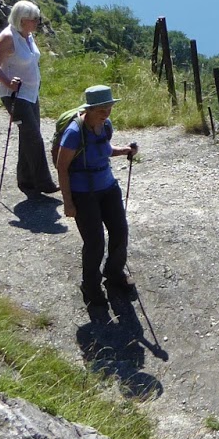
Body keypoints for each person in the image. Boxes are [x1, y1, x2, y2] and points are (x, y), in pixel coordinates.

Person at [56, 85, 139, 309]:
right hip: (84, 194)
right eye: (101, 109)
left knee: (120, 230)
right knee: (95, 242)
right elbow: (62, 167)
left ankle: (114, 274)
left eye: (109, 107)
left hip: (108, 187)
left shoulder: (105, 125)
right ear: (89, 109)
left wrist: (124, 151)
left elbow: (104, 150)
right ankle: (90, 287)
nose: (106, 112)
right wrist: (68, 202)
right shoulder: (74, 133)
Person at [0, 0, 58, 196]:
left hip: (30, 94)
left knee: (28, 136)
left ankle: (26, 181)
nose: (37, 22)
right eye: (33, 19)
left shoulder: (27, 36)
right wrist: (8, 82)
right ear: (22, 20)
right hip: (15, 95)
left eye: (37, 18)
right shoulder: (8, 37)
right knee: (34, 138)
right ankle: (44, 183)